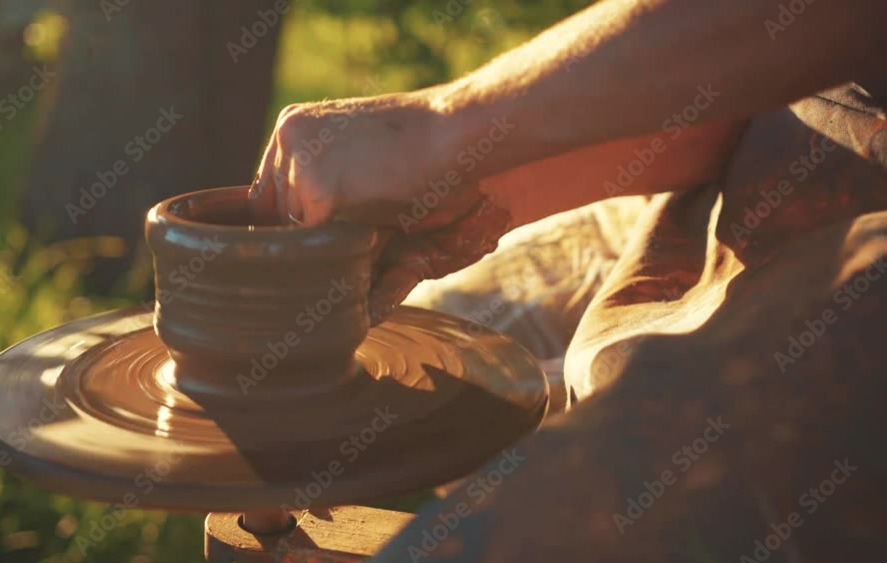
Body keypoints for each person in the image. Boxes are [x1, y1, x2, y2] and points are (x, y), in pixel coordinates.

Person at [250, 0, 887, 560]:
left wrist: (440, 127)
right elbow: (753, 72)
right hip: (774, 149)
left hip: (860, 222)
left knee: (514, 521)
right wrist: (477, 185)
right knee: (457, 323)